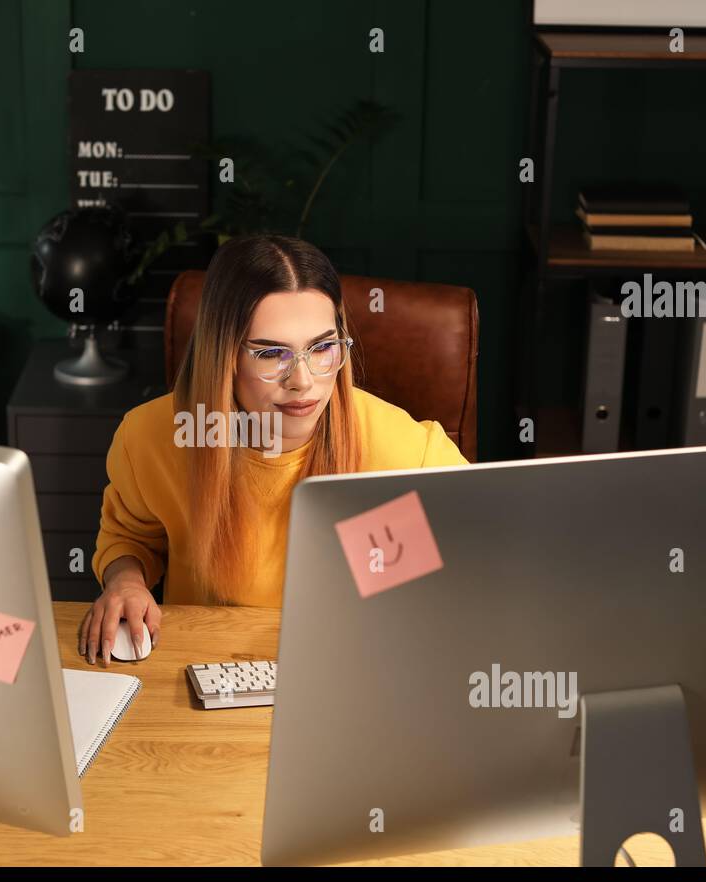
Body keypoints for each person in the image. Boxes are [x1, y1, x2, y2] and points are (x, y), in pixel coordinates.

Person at [79, 234, 468, 664]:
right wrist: (125, 581)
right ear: (223, 354)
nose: (302, 381)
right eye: (271, 354)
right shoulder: (151, 437)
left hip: (346, 665)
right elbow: (130, 538)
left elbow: (484, 546)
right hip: (206, 668)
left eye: (322, 348)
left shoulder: (405, 448)